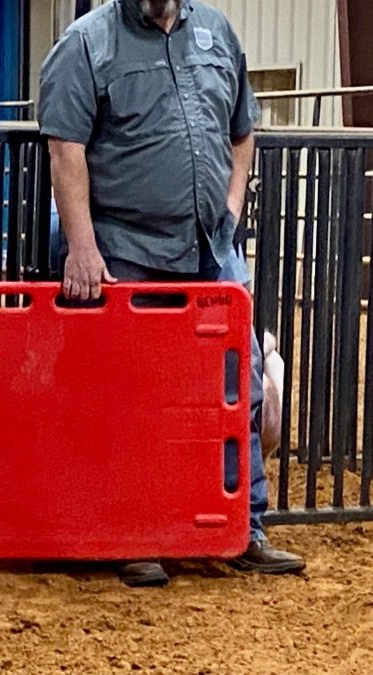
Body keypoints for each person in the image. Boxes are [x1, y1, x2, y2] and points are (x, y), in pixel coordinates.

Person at [38, 0, 306, 587]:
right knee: (129, 394)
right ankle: (135, 533)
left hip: (211, 248)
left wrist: (231, 208)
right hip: (126, 250)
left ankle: (243, 527)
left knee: (240, 386)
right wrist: (82, 246)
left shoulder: (216, 33)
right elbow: (65, 150)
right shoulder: (86, 43)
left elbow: (242, 131)